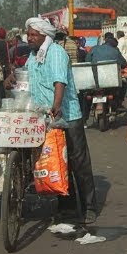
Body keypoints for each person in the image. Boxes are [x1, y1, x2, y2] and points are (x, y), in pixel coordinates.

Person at [25, 17, 98, 228]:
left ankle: (89, 207)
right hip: (45, 118)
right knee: (58, 162)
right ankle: (65, 206)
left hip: (67, 116)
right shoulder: (33, 55)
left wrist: (56, 106)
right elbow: (27, 76)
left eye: (33, 35)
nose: (29, 38)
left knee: (78, 163)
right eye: (28, 34)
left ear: (44, 36)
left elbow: (60, 82)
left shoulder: (55, 52)